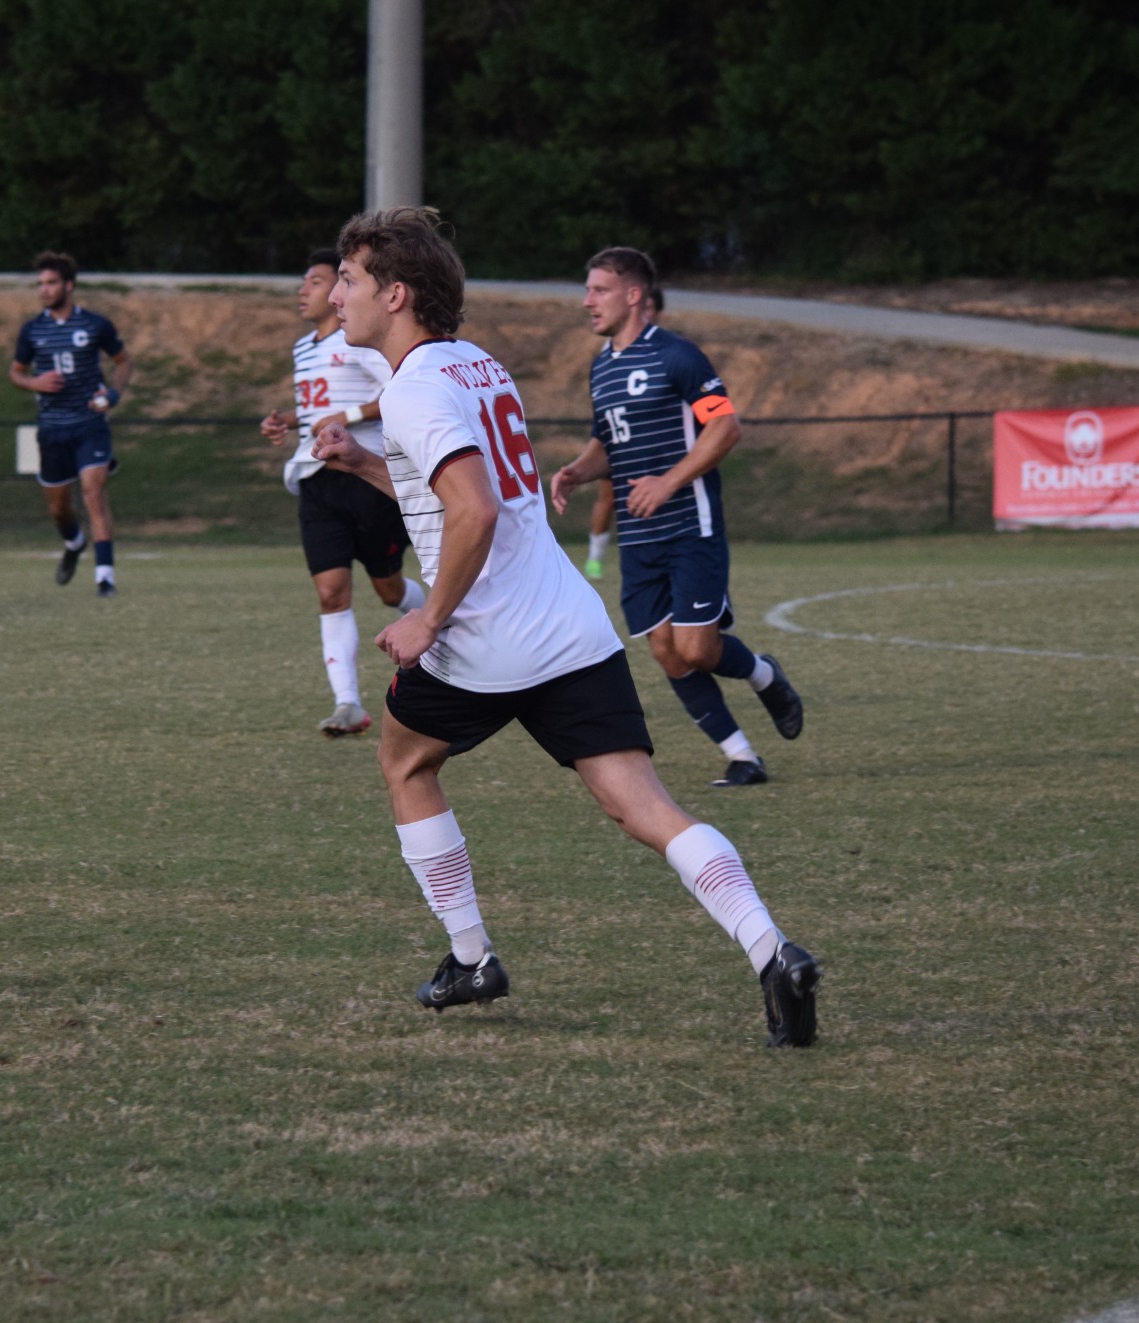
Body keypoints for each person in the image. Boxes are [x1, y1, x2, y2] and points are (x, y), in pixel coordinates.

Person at [311, 207, 821, 1047]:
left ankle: (473, 957)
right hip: (569, 628)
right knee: (644, 807)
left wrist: (427, 619)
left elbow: (471, 510)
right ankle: (774, 951)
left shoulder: (409, 390)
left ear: (396, 293)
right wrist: (367, 462)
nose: (337, 296)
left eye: (353, 280)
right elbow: (461, 499)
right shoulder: (477, 365)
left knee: (405, 760)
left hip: (484, 637)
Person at [551, 247, 803, 788]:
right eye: (587, 289)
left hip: (691, 526)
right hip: (638, 536)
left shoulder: (678, 357)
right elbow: (607, 443)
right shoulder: (602, 368)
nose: (587, 301)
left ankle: (765, 675)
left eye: (599, 290)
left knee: (696, 648)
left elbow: (724, 427)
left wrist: (668, 482)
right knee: (667, 652)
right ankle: (742, 757)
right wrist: (578, 470)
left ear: (634, 294)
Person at [259, 249, 429, 737]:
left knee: (389, 589)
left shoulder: (362, 343)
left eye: (314, 281)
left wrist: (348, 419)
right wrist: (286, 422)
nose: (303, 291)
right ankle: (348, 704)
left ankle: (442, 617)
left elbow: (397, 391)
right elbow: (319, 408)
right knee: (331, 593)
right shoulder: (302, 349)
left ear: (340, 289)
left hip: (366, 478)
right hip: (316, 481)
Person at [9, 251, 134, 596]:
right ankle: (75, 543)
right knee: (59, 507)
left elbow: (123, 363)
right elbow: (16, 372)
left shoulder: (95, 325)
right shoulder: (33, 330)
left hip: (89, 423)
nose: (44, 290)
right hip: (52, 429)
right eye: (40, 284)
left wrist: (113, 394)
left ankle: (105, 578)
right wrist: (35, 383)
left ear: (69, 285)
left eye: (51, 283)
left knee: (94, 492)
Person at [581, 287, 662, 580]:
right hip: (620, 438)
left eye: (651, 309)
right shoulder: (611, 353)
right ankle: (595, 558)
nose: (647, 313)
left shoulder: (666, 351)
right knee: (609, 498)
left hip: (655, 445)